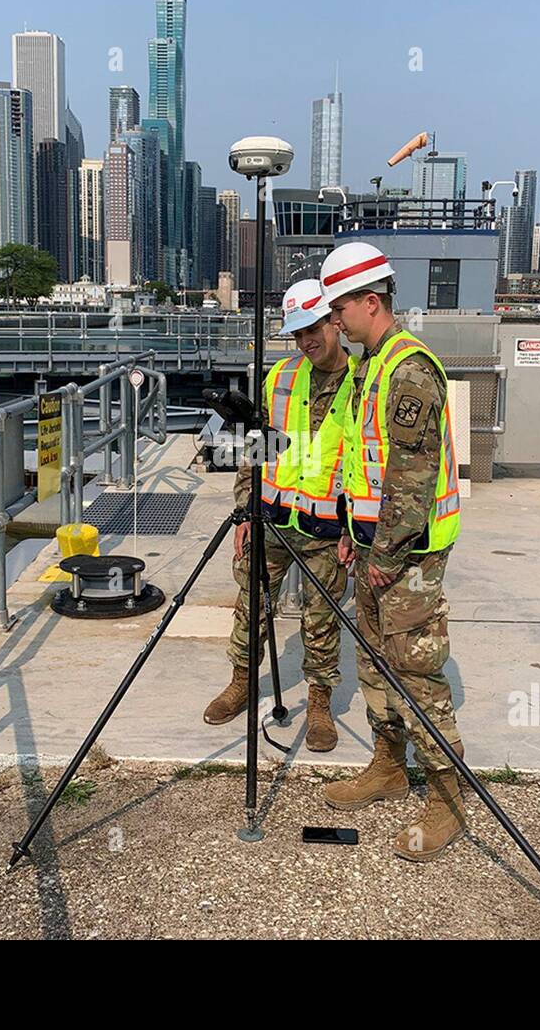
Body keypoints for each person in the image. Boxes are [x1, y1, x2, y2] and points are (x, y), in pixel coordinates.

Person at [316, 241, 467, 862]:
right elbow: (365, 464)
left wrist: (382, 553)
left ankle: (448, 799)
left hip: (407, 554)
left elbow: (411, 477)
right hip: (376, 547)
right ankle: (388, 765)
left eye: (338, 309)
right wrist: (356, 538)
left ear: (369, 302)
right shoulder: (369, 365)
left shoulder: (407, 369)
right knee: (377, 663)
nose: (332, 322)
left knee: (415, 670)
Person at [203, 278, 354, 752]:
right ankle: (243, 682)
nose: (306, 341)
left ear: (335, 322)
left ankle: (319, 702)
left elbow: (368, 457)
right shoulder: (281, 378)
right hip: (272, 516)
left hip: (329, 526)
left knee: (322, 616)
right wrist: (245, 508)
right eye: (296, 334)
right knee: (251, 601)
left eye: (313, 328)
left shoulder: (362, 382)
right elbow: (256, 448)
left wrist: (359, 528)